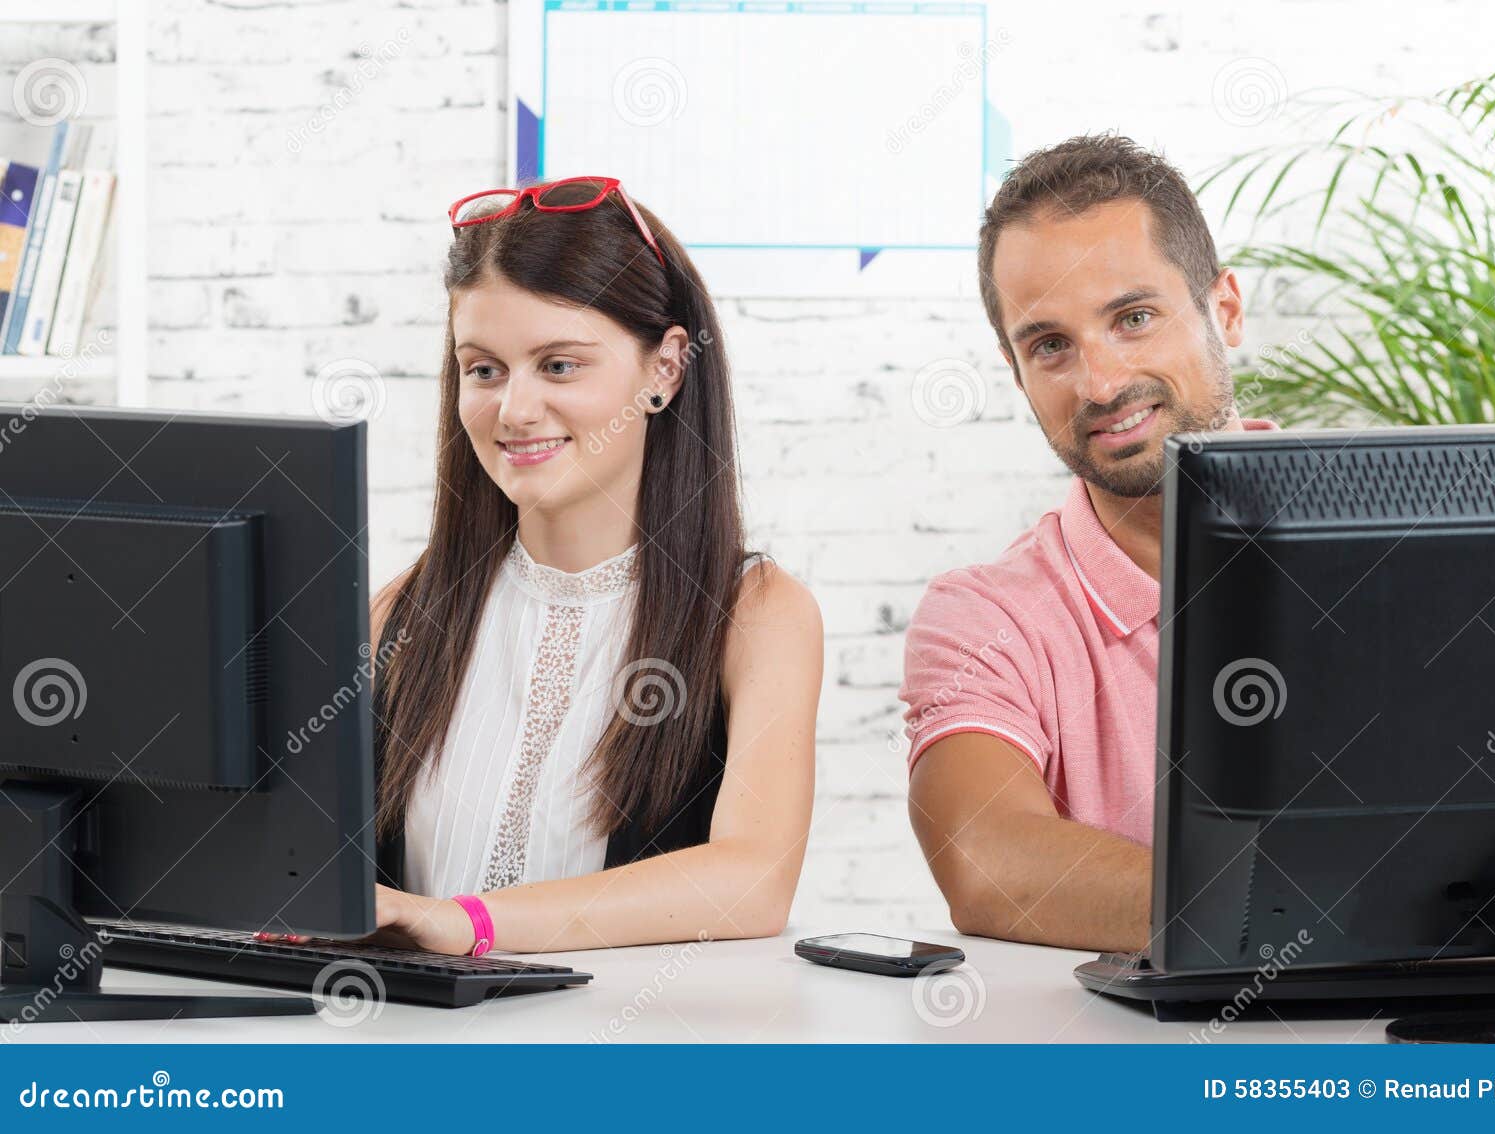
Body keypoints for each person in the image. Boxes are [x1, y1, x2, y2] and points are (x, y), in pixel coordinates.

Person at [270, 176, 822, 955]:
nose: (514, 410)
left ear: (665, 368)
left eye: (559, 366)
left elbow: (753, 878)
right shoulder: (402, 611)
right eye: (485, 369)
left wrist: (468, 924)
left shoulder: (757, 613)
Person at [899, 134, 1278, 953]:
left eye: (1134, 318)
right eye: (1050, 345)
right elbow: (989, 859)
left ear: (1227, 309)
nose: (1101, 384)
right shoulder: (985, 618)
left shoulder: (1397, 543)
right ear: (1015, 369)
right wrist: (1317, 911)